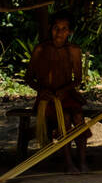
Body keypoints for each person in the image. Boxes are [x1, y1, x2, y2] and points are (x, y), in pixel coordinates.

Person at [26, 11, 90, 174]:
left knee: (78, 118)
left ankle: (82, 162)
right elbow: (29, 78)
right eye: (56, 28)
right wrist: (43, 91)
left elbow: (78, 79)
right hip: (47, 100)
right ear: (50, 29)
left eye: (64, 29)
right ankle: (68, 164)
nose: (59, 32)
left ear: (69, 32)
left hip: (68, 96)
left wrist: (64, 90)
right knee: (65, 120)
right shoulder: (40, 49)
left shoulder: (74, 51)